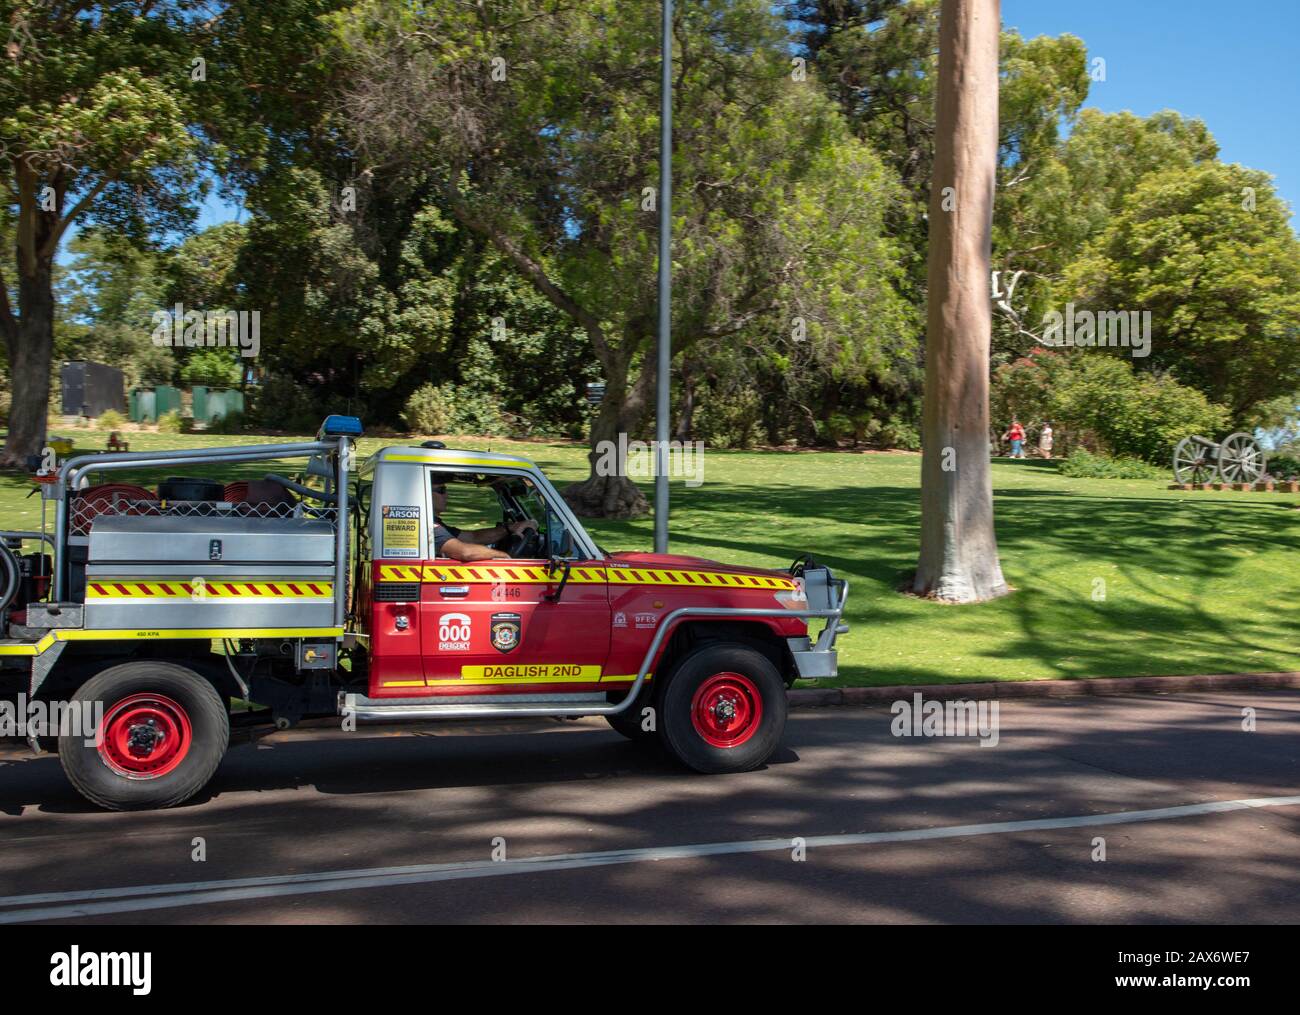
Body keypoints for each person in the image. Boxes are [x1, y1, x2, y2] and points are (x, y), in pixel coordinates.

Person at [431, 480, 537, 561]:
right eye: (441, 491)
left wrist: (509, 528)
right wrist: (503, 556)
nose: (447, 495)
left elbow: (472, 537)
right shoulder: (428, 526)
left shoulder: (433, 522)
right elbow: (464, 552)